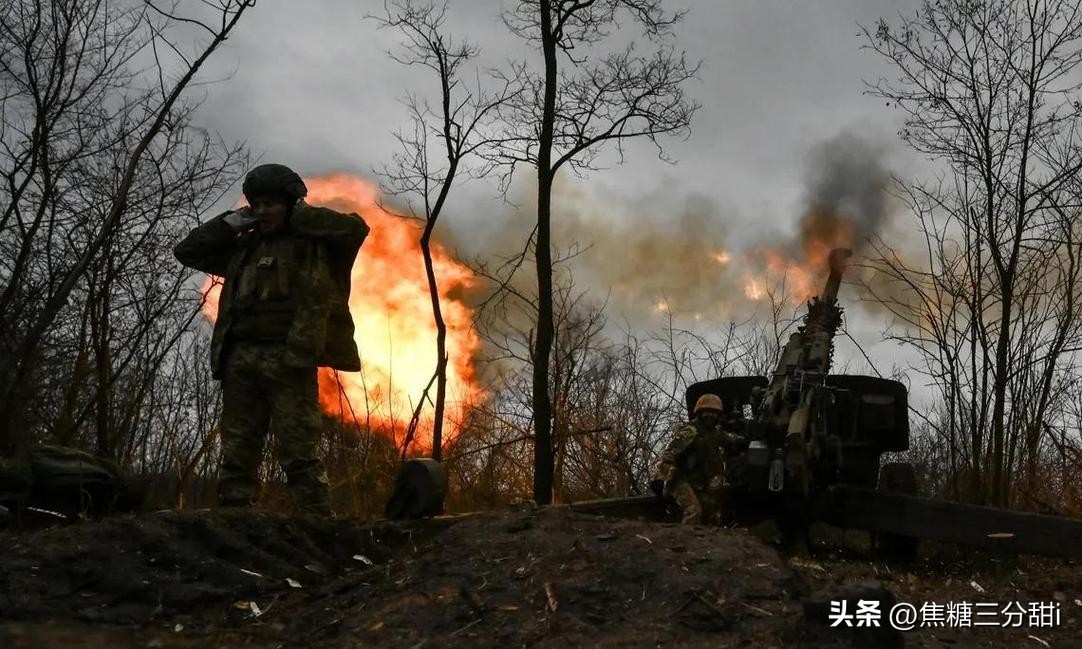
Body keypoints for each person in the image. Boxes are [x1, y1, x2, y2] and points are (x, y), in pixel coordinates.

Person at [174, 163, 369, 516]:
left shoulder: (315, 246)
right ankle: (237, 519)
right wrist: (231, 222)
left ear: (290, 203)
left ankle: (318, 524)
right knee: (238, 449)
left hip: (290, 359)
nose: (263, 211)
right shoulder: (243, 248)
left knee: (299, 449)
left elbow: (354, 229)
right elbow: (187, 251)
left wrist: (301, 215)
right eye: (257, 204)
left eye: (272, 204)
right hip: (241, 359)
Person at [650, 393, 744, 524]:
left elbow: (731, 439)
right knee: (694, 511)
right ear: (699, 413)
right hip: (681, 480)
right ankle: (686, 541)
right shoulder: (690, 432)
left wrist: (746, 439)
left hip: (699, 483)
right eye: (707, 412)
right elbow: (669, 455)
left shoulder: (715, 434)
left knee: (713, 515)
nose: (711, 416)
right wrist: (659, 479)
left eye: (714, 413)